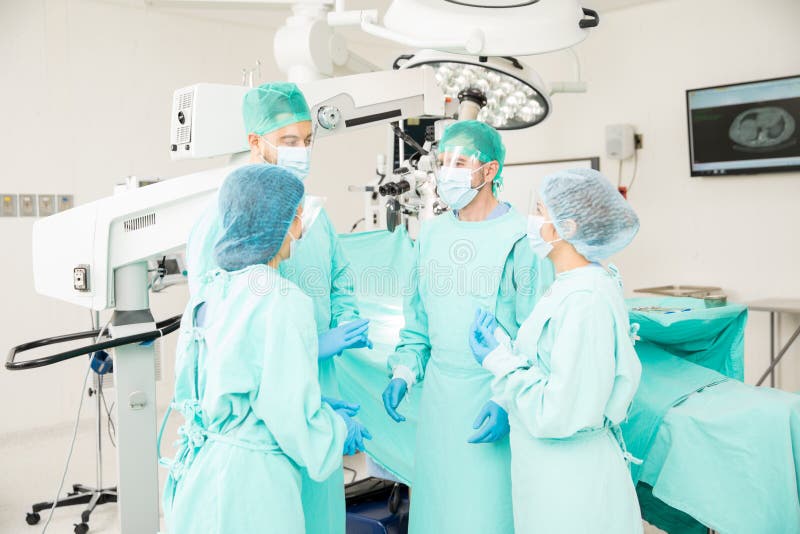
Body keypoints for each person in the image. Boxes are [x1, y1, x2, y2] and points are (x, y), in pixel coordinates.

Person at [184, 82, 370, 534]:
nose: (301, 151)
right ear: (255, 141)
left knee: (317, 513)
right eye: (289, 140)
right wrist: (306, 348)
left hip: (308, 389)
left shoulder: (311, 215)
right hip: (260, 417)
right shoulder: (224, 218)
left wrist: (340, 329)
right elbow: (218, 334)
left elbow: (340, 278)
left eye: (307, 140)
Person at [381, 120, 553, 533]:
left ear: (489, 170)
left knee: (485, 516)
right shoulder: (432, 235)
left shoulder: (521, 239)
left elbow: (538, 338)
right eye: (442, 162)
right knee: (437, 514)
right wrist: (404, 371)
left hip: (492, 397)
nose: (446, 172)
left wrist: (507, 401)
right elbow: (418, 326)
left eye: (459, 163)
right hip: (439, 405)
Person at [469, 168, 643, 533]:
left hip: (574, 486)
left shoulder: (586, 300)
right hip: (552, 478)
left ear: (570, 227)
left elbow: (559, 412)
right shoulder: (569, 286)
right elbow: (550, 364)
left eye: (540, 210)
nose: (532, 220)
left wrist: (498, 361)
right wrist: (505, 349)